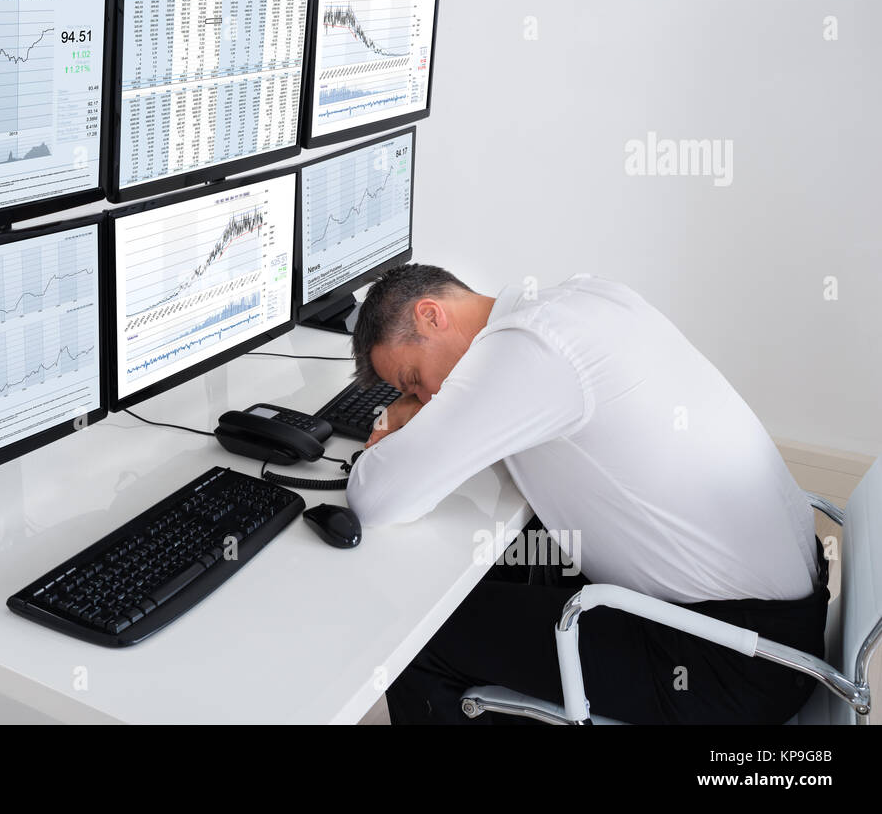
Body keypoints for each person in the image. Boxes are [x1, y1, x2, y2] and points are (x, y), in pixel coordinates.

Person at [346, 264, 829, 724]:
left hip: (733, 665)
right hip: (786, 629)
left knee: (414, 636)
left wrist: (392, 421)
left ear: (431, 315)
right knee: (513, 559)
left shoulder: (529, 351)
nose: (424, 397)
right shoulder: (584, 298)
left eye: (412, 381)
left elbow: (377, 498)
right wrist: (422, 412)